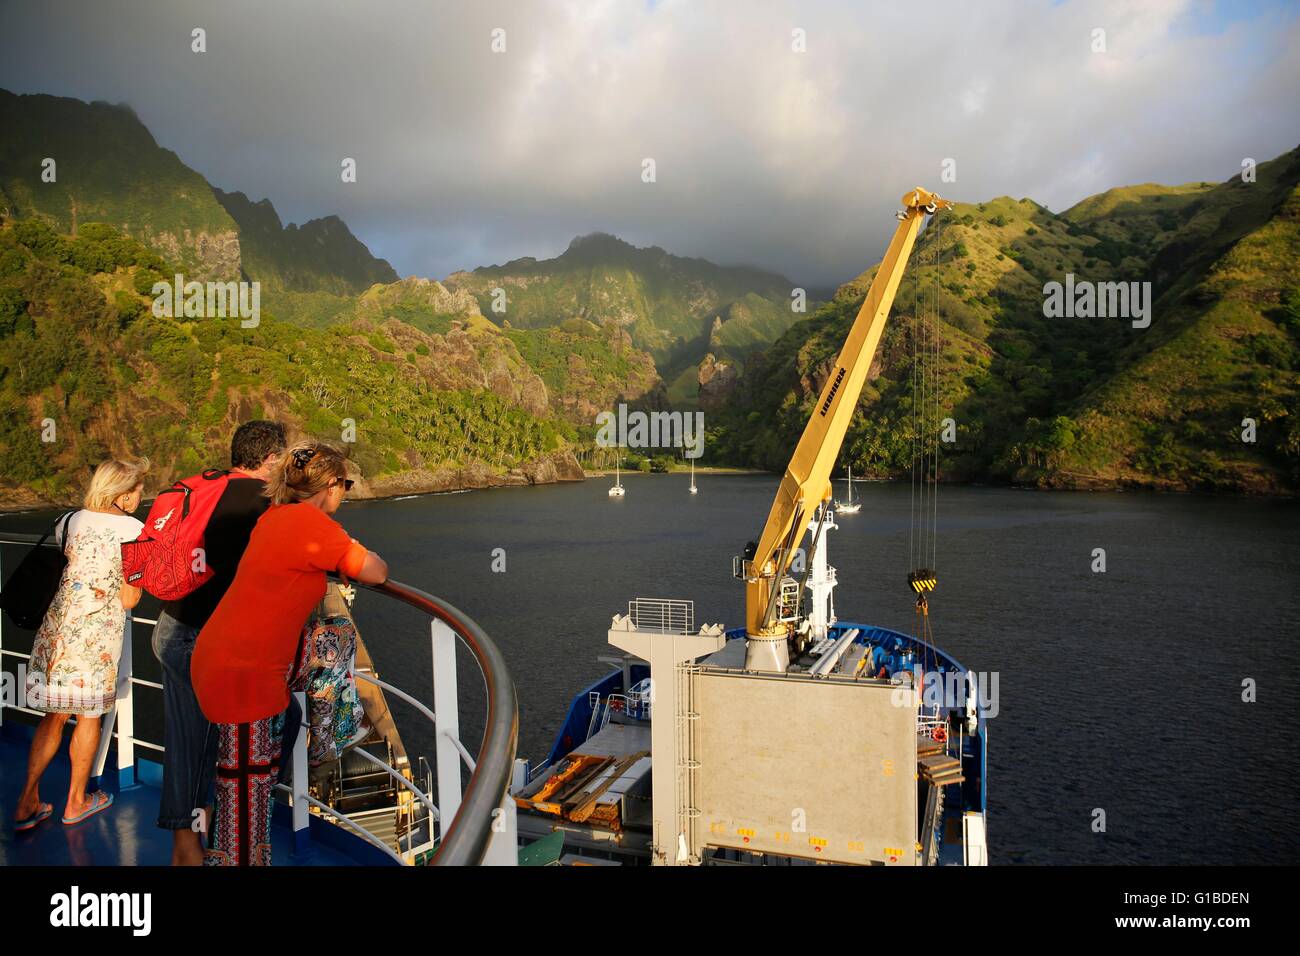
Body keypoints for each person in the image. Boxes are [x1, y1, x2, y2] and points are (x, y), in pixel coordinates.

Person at [191, 439, 387, 866]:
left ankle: (328, 735)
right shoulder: (312, 525)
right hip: (244, 673)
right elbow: (375, 570)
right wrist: (353, 546)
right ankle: (235, 856)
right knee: (246, 791)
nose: (345, 493)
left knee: (332, 636)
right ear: (331, 485)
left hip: (225, 655)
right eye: (346, 485)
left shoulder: (276, 516)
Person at [151, 419, 286, 866]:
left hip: (173, 627)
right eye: (282, 459)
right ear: (269, 460)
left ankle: (201, 834)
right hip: (199, 638)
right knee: (201, 742)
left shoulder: (210, 487)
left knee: (193, 739)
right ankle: (187, 847)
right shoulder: (259, 503)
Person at [13, 457, 148, 831]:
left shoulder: (68, 521)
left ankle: (27, 801)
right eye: (137, 490)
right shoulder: (135, 531)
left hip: (56, 630)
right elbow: (130, 600)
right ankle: (75, 801)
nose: (141, 496)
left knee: (52, 715)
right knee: (88, 716)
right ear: (122, 493)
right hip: (95, 636)